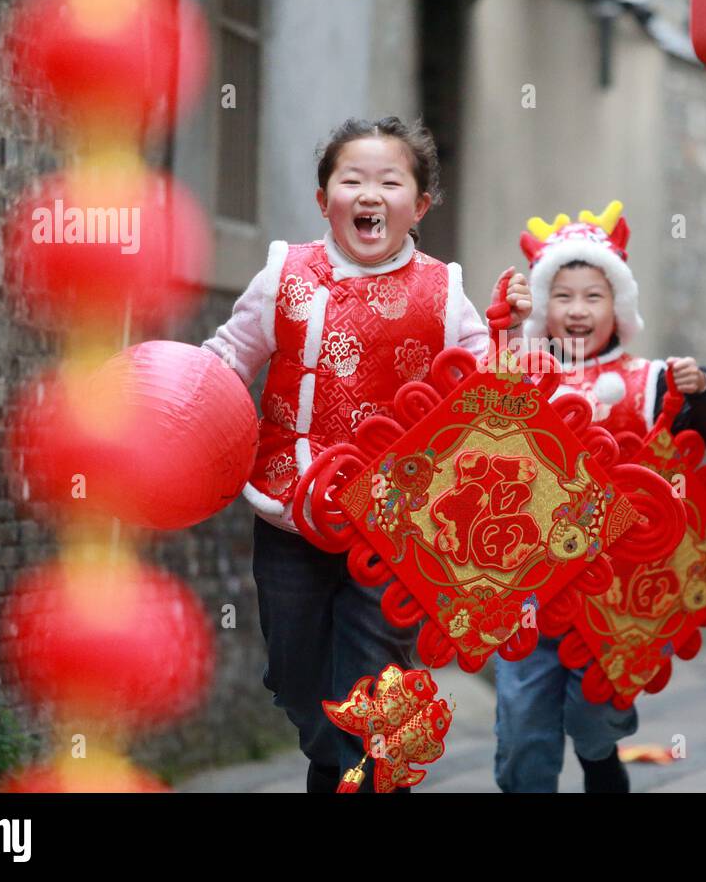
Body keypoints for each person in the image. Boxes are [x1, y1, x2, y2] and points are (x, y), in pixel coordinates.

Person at [202, 116, 531, 792]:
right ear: (325, 200)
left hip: (392, 528)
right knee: (293, 679)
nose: (369, 193)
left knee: (372, 682)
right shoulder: (282, 276)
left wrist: (509, 331)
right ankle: (362, 759)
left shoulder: (443, 292)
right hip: (288, 514)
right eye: (351, 180)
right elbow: (225, 361)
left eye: (390, 181)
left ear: (420, 205)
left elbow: (488, 398)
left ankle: (373, 764)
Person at [493, 200, 706, 793]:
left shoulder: (651, 379)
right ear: (545, 305)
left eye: (593, 296)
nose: (577, 311)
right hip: (531, 582)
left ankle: (602, 754)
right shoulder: (520, 373)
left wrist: (705, 388)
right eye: (563, 295)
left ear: (618, 308)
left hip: (622, 591)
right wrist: (500, 331)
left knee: (592, 716)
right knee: (524, 730)